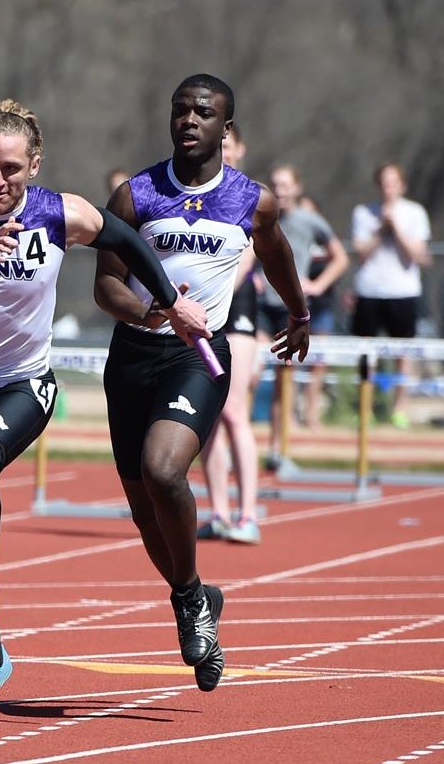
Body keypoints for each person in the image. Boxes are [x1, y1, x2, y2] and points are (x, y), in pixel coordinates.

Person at [0, 99, 201, 725]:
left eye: (11, 168)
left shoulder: (61, 212)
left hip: (24, 384)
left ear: (34, 166)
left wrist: (172, 301)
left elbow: (130, 243)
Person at [93, 74, 309, 693]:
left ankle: (187, 606)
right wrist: (154, 312)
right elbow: (105, 285)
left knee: (165, 471)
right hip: (134, 356)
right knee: (143, 511)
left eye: (203, 112)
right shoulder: (134, 196)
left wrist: (298, 314)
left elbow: (277, 255)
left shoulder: (251, 200)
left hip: (199, 358)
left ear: (225, 128)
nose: (189, 120)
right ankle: (196, 593)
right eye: (180, 110)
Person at [195, 124, 267, 544]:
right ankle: (219, 511)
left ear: (240, 148)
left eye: (227, 143)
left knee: (234, 411)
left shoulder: (247, 195)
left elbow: (246, 257)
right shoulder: (198, 192)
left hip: (234, 313)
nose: (221, 150)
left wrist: (211, 296)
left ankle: (248, 514)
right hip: (200, 314)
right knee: (207, 420)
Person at [349, 161, 431, 429]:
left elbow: (419, 255)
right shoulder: (363, 213)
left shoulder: (415, 213)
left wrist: (396, 229)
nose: (388, 189)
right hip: (370, 290)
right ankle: (366, 409)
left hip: (403, 292)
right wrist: (380, 229)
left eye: (393, 183)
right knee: (367, 353)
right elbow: (360, 253)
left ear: (402, 185)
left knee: (402, 355)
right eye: (384, 183)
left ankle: (399, 410)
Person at [269, 165, 349, 431]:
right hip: (260, 303)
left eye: (285, 185)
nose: (280, 191)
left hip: (288, 304)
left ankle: (288, 427)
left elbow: (341, 257)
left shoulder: (310, 221)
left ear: (297, 188)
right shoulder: (262, 214)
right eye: (275, 185)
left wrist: (317, 284)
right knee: (256, 370)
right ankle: (255, 426)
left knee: (286, 369)